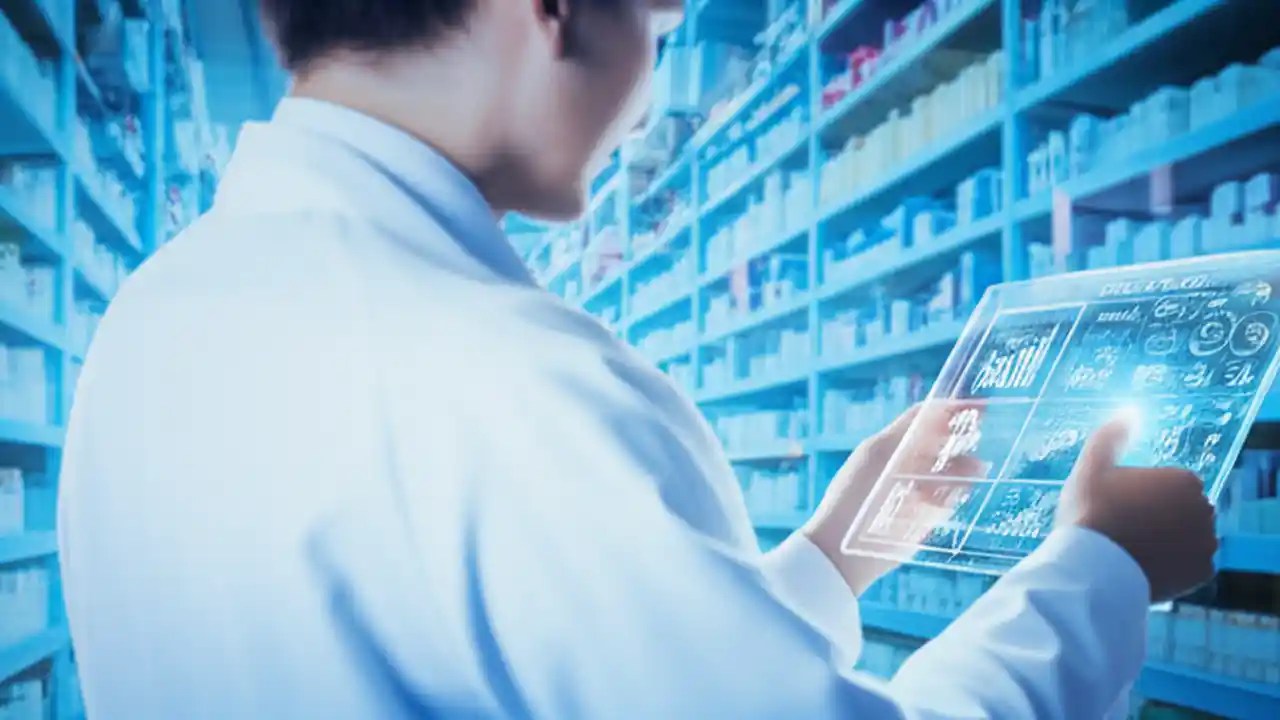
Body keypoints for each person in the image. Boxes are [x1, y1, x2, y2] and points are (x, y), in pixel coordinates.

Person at [57, 1, 1219, 718]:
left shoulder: (161, 315)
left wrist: (835, 553)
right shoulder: (515, 384)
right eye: (660, 31)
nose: (648, 84)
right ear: (552, 10)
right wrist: (1100, 569)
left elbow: (566, 666)